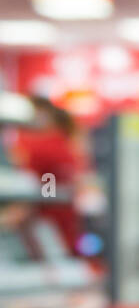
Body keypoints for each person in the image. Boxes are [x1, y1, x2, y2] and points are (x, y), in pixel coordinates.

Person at [10, 96, 84, 255]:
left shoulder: (42, 147)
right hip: (64, 228)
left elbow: (44, 193)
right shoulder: (66, 145)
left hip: (46, 232)